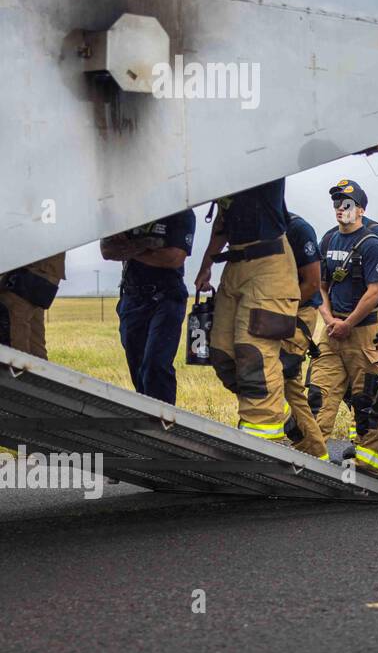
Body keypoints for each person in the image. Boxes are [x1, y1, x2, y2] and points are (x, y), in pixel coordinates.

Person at [196, 180, 300, 442]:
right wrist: (206, 266)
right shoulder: (222, 174)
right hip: (235, 263)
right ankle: (279, 410)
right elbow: (222, 223)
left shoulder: (260, 164)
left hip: (269, 265)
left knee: (253, 354)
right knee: (222, 355)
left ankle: (263, 439)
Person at [314, 181, 378, 442]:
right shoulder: (327, 240)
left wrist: (349, 323)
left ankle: (365, 463)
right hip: (331, 333)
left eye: (347, 204)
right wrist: (329, 318)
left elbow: (375, 292)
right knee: (317, 397)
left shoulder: (373, 244)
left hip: (363, 335)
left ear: (361, 210)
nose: (340, 208)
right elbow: (320, 286)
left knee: (365, 402)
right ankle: (309, 457)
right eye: (337, 203)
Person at [100, 213, 195, 404]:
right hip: (132, 298)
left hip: (167, 298)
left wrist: (130, 247)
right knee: (137, 366)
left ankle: (163, 422)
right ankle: (147, 417)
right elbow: (107, 250)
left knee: (155, 364)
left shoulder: (181, 213)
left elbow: (173, 258)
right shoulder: (127, 211)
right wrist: (148, 244)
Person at [279, 210, 329, 459]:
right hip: (277, 310)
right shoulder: (266, 227)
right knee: (290, 386)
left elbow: (312, 284)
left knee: (284, 376)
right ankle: (312, 448)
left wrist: (282, 309)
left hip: (298, 310)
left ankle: (314, 450)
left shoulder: (298, 229)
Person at [0, 253, 67, 359]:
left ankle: (15, 369)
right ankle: (37, 372)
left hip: (35, 266)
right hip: (39, 268)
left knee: (9, 315)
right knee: (33, 338)